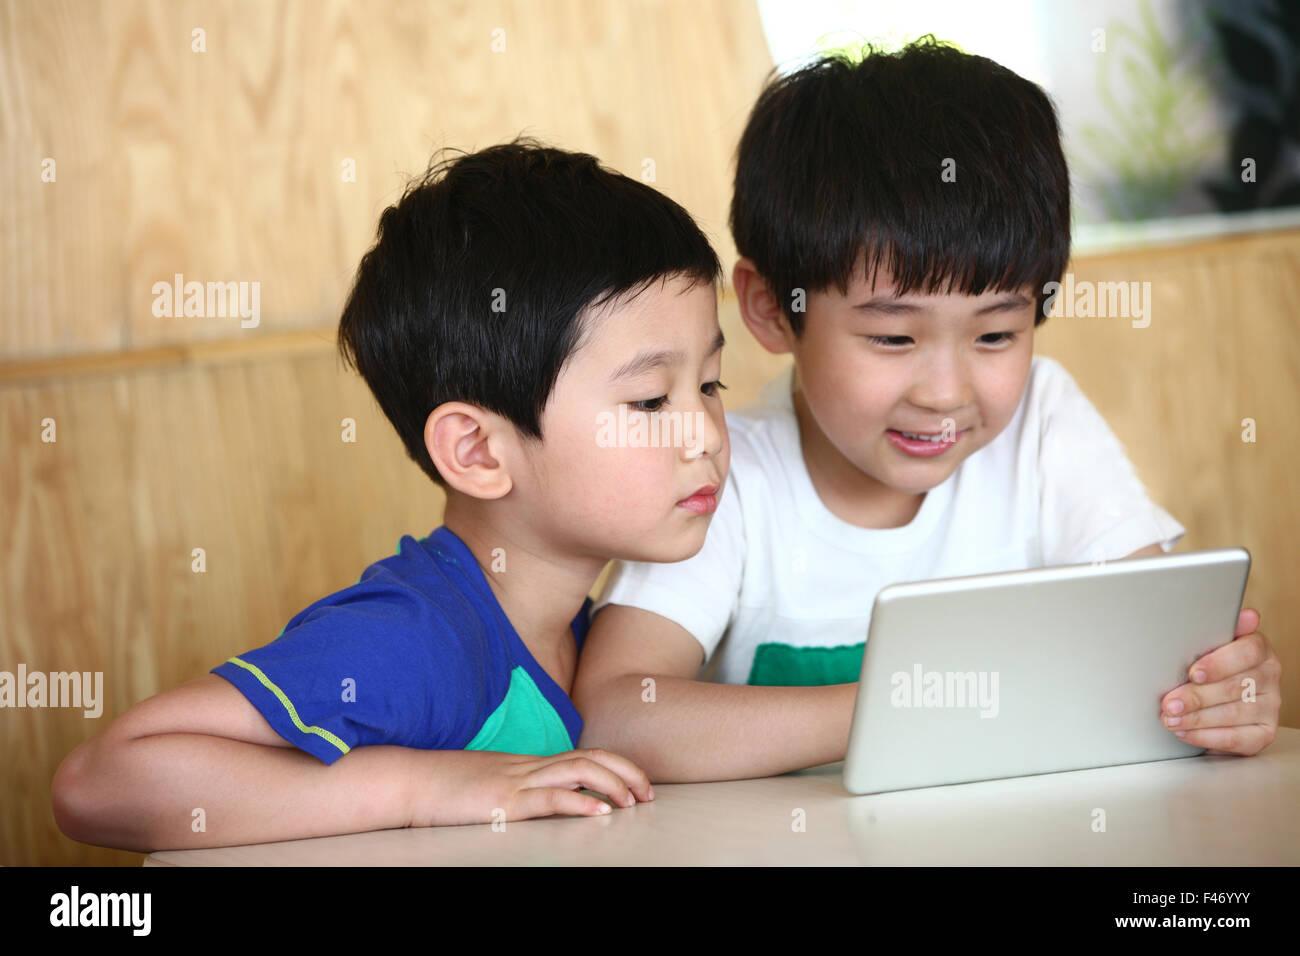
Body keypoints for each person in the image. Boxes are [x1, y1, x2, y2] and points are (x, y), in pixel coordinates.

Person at [571, 38, 1282, 782]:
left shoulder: (1041, 422)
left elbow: (1163, 653)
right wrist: (908, 705)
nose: (946, 392)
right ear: (772, 309)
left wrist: (1217, 693)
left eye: (997, 334)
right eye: (894, 336)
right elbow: (621, 715)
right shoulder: (724, 477)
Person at [52, 139, 730, 849]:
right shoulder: (419, 639)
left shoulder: (581, 633)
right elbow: (99, 783)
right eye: (652, 401)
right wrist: (428, 786)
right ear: (476, 451)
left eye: (710, 384)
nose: (707, 434)